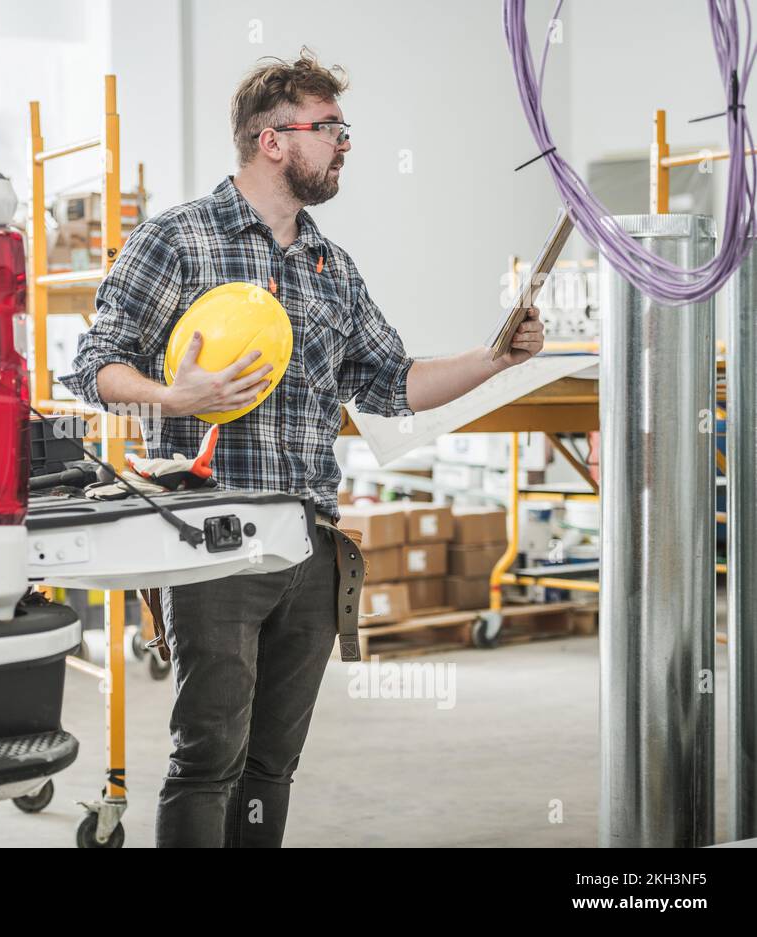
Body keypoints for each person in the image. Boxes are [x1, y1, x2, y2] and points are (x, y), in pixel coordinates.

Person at [58, 48, 544, 848]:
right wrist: (171, 397)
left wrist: (495, 358)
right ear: (273, 139)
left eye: (343, 130)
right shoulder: (178, 240)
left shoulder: (330, 267)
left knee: (273, 763)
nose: (344, 143)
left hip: (310, 545)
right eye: (330, 129)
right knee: (209, 754)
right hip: (213, 542)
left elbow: (394, 380)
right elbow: (92, 365)